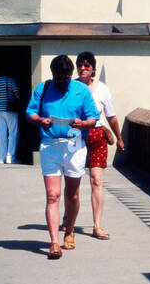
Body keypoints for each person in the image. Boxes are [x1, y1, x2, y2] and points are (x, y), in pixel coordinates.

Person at [26, 54, 99, 260]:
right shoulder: (43, 88)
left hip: (75, 146)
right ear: (53, 74)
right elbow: (30, 113)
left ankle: (69, 230)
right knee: (52, 195)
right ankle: (54, 243)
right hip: (50, 146)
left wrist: (82, 124)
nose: (63, 81)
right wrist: (41, 119)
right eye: (59, 78)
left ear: (71, 75)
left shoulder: (81, 90)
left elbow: (93, 117)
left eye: (66, 77)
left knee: (72, 195)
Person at [74, 52, 125, 240]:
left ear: (93, 68)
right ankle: (68, 220)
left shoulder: (102, 89)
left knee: (96, 180)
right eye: (80, 65)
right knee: (73, 181)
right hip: (77, 136)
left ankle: (97, 225)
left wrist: (119, 138)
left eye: (87, 66)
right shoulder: (71, 87)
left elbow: (111, 115)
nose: (83, 69)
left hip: (97, 136)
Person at [0, 72, 21, 164]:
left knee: (1, 135)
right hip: (10, 110)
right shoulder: (10, 80)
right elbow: (17, 95)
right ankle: (11, 157)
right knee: (13, 134)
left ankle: (1, 159)